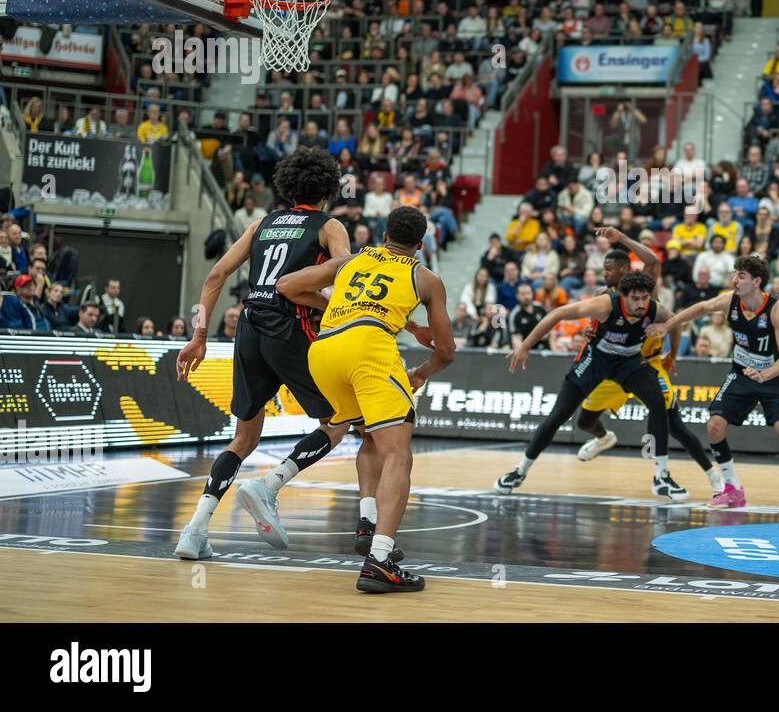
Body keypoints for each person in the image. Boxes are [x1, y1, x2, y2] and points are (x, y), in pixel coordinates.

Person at [172, 149, 363, 561]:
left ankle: (194, 530)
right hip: (291, 327)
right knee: (340, 419)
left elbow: (215, 275)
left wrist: (199, 336)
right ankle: (270, 484)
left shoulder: (262, 224)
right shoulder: (331, 226)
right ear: (329, 188)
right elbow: (343, 277)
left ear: (287, 184)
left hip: (248, 326)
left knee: (243, 438)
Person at [276, 206, 455, 593]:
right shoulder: (425, 278)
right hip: (369, 348)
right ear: (421, 245)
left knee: (371, 437)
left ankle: (368, 519)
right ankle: (380, 561)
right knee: (398, 454)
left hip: (323, 350)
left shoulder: (352, 260)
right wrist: (420, 373)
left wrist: (341, 311)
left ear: (383, 232)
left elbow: (287, 285)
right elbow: (446, 351)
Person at [648, 255, 779, 509]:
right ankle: (732, 487)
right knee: (714, 426)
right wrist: (668, 324)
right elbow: (701, 308)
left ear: (756, 281)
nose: (734, 279)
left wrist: (764, 375)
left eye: (741, 276)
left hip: (773, 375)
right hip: (741, 373)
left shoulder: (777, 309)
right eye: (734, 274)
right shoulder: (729, 301)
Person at [496, 270, 688, 501]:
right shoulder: (606, 305)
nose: (640, 303)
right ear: (623, 296)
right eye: (635, 298)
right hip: (597, 359)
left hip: (629, 361)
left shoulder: (655, 309)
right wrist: (525, 346)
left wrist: (673, 354)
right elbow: (558, 313)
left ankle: (662, 477)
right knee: (558, 415)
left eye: (644, 298)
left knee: (659, 403)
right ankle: (520, 471)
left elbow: (676, 322)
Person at [572, 228, 722, 494]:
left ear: (624, 269)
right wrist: (590, 333)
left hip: (647, 365)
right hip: (613, 367)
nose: (604, 273)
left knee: (673, 423)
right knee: (584, 422)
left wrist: (672, 355)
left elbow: (655, 269)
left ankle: (712, 477)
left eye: (609, 268)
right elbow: (596, 331)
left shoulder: (643, 294)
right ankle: (604, 438)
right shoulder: (603, 297)